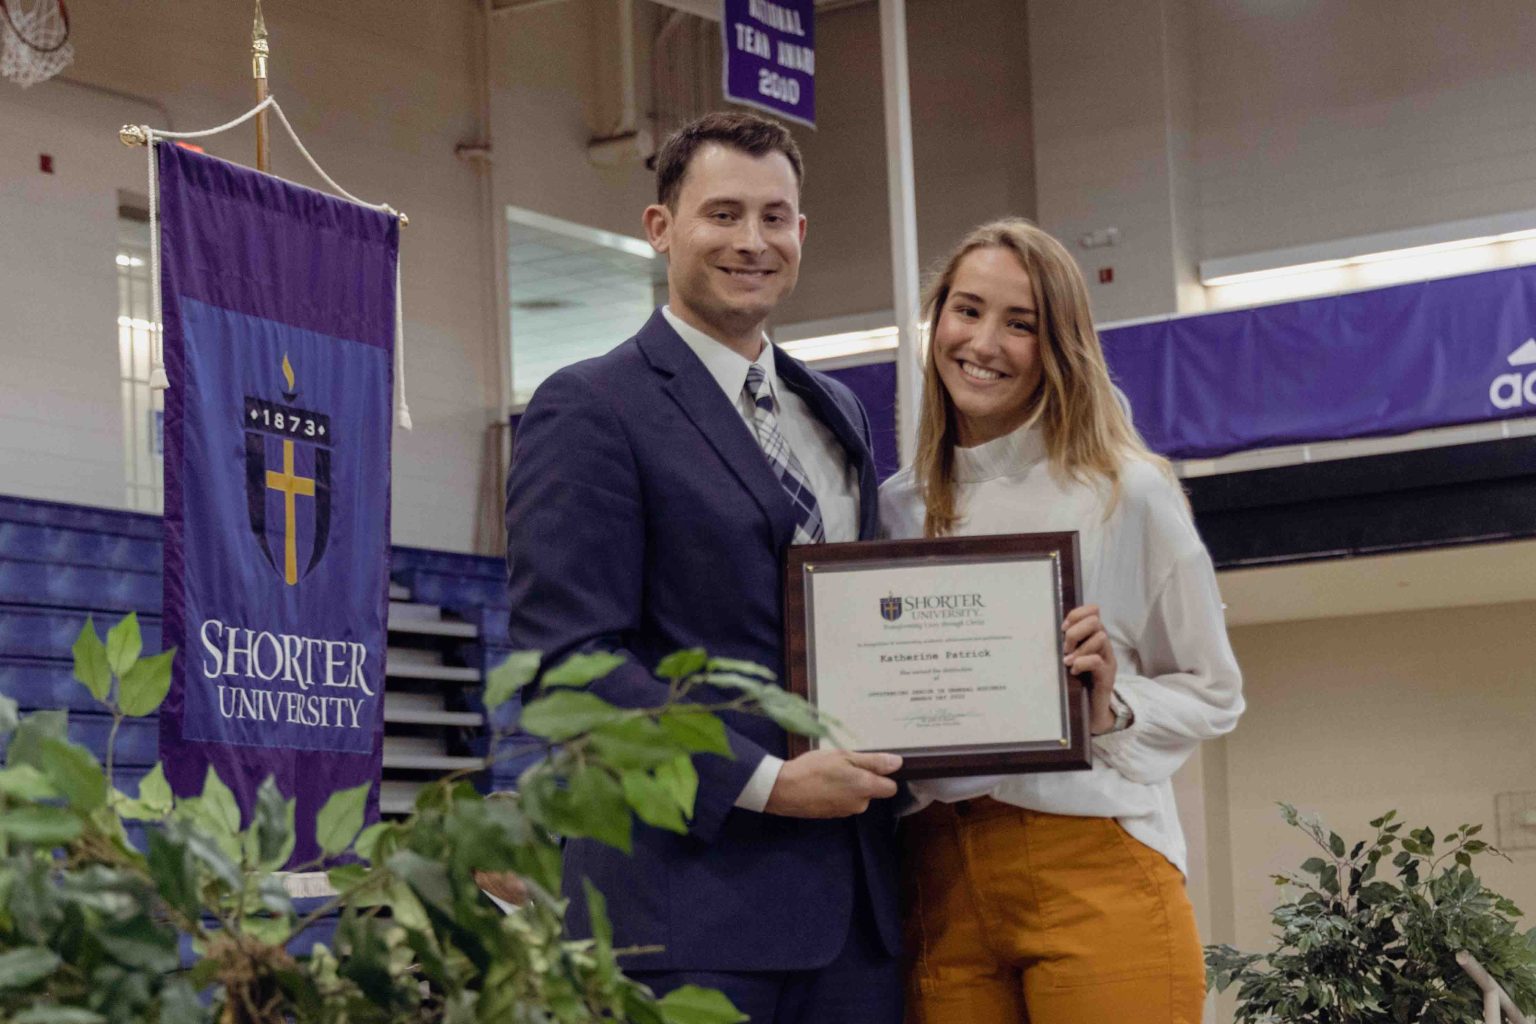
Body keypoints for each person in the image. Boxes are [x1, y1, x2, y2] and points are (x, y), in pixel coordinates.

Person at [492, 111, 905, 1023]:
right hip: (684, 917)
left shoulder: (836, 409)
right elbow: (571, 669)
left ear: (802, 232)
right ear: (661, 227)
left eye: (775, 217)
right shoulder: (591, 407)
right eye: (722, 214)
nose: (751, 241)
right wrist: (767, 783)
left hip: (858, 922)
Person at [879, 218, 1245, 1024]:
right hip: (935, 875)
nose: (984, 342)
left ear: (1061, 347)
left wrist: (1111, 705)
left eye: (1022, 324)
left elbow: (1216, 691)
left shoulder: (1126, 491)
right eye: (967, 310)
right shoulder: (893, 509)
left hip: (1094, 861)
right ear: (936, 319)